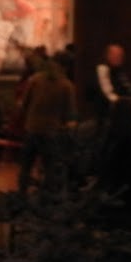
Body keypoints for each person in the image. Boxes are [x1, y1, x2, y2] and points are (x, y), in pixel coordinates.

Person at [16, 53, 77, 193]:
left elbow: (24, 104)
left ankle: (21, 193)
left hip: (32, 127)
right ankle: (46, 196)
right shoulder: (66, 85)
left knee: (26, 164)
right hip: (51, 131)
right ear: (65, 67)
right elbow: (70, 112)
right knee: (50, 166)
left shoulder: (35, 80)